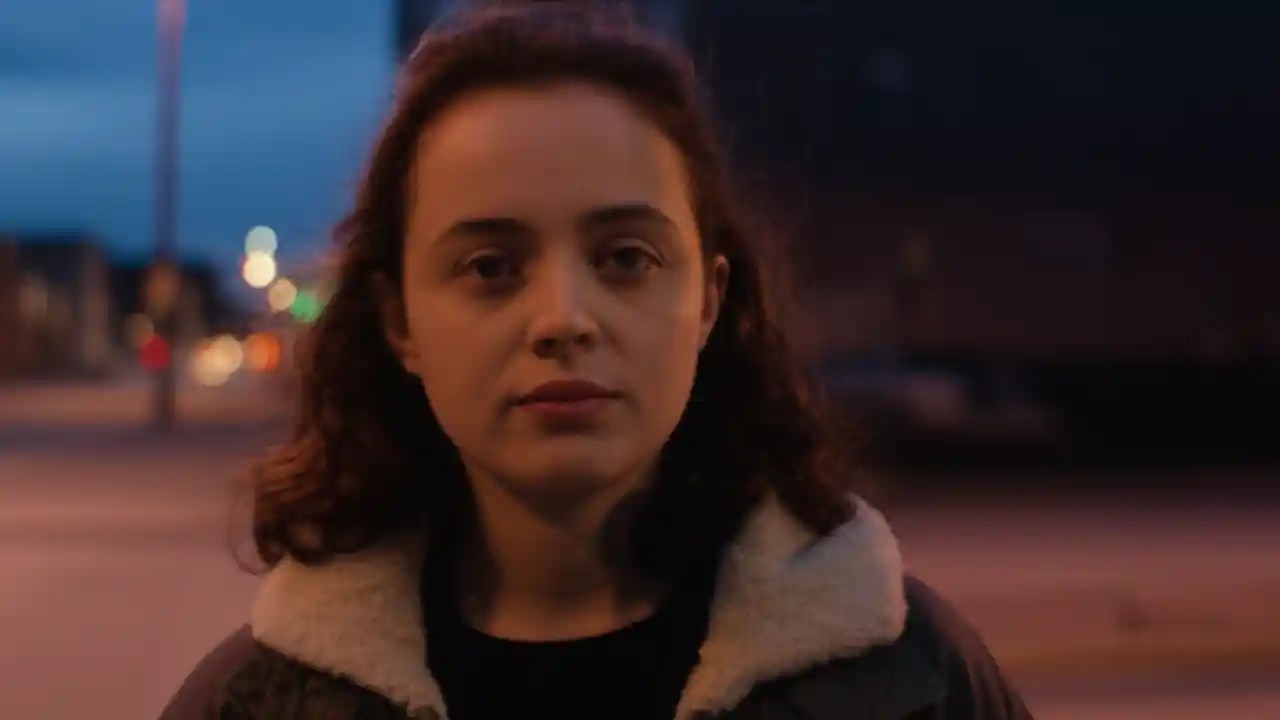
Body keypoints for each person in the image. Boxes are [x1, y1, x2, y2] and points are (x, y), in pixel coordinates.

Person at [161, 3, 1033, 719]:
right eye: (490, 267)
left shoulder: (911, 685)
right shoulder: (257, 706)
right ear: (401, 323)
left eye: (625, 258)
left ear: (707, 300)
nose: (563, 320)